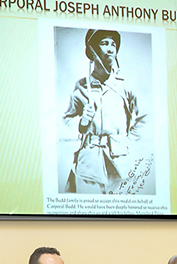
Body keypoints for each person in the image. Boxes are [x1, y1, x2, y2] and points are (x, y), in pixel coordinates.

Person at [62, 29, 147, 194]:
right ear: (92, 51)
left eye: (113, 44)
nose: (110, 49)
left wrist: (129, 143)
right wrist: (82, 122)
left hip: (121, 164)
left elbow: (146, 118)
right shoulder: (81, 86)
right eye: (104, 43)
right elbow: (65, 119)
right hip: (89, 166)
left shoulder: (125, 86)